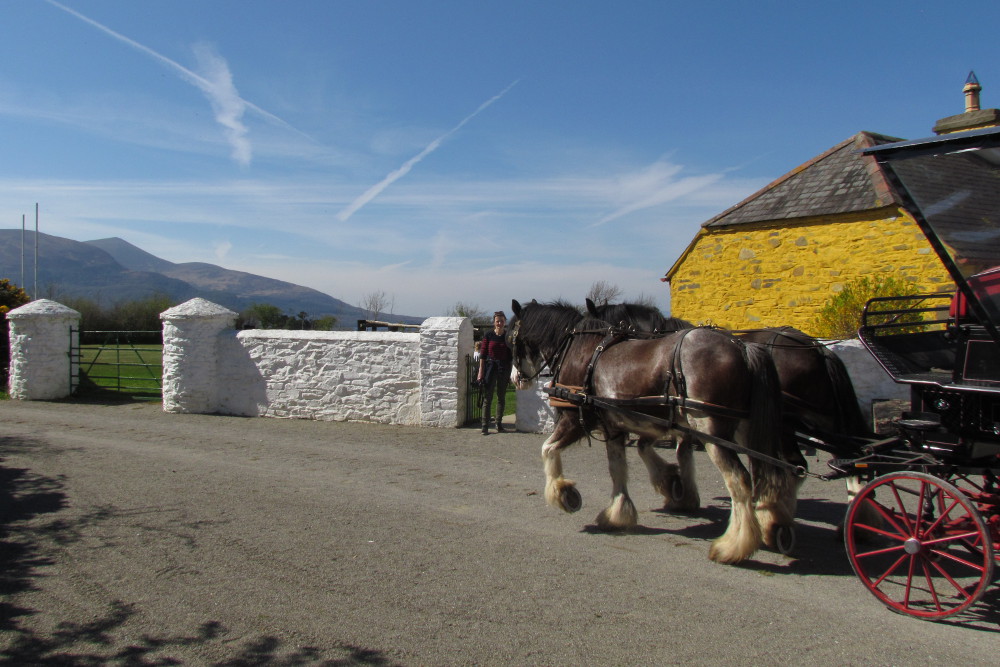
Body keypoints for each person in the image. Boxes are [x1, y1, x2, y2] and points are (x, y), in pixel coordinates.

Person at [477, 310, 512, 435]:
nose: (499, 323)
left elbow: (510, 355)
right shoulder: (488, 335)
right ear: (494, 322)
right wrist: (481, 371)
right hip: (490, 367)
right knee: (488, 397)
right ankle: (485, 425)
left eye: (502, 321)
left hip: (504, 367)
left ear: (504, 322)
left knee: (501, 397)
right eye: (497, 321)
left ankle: (498, 423)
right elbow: (483, 354)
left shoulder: (507, 336)